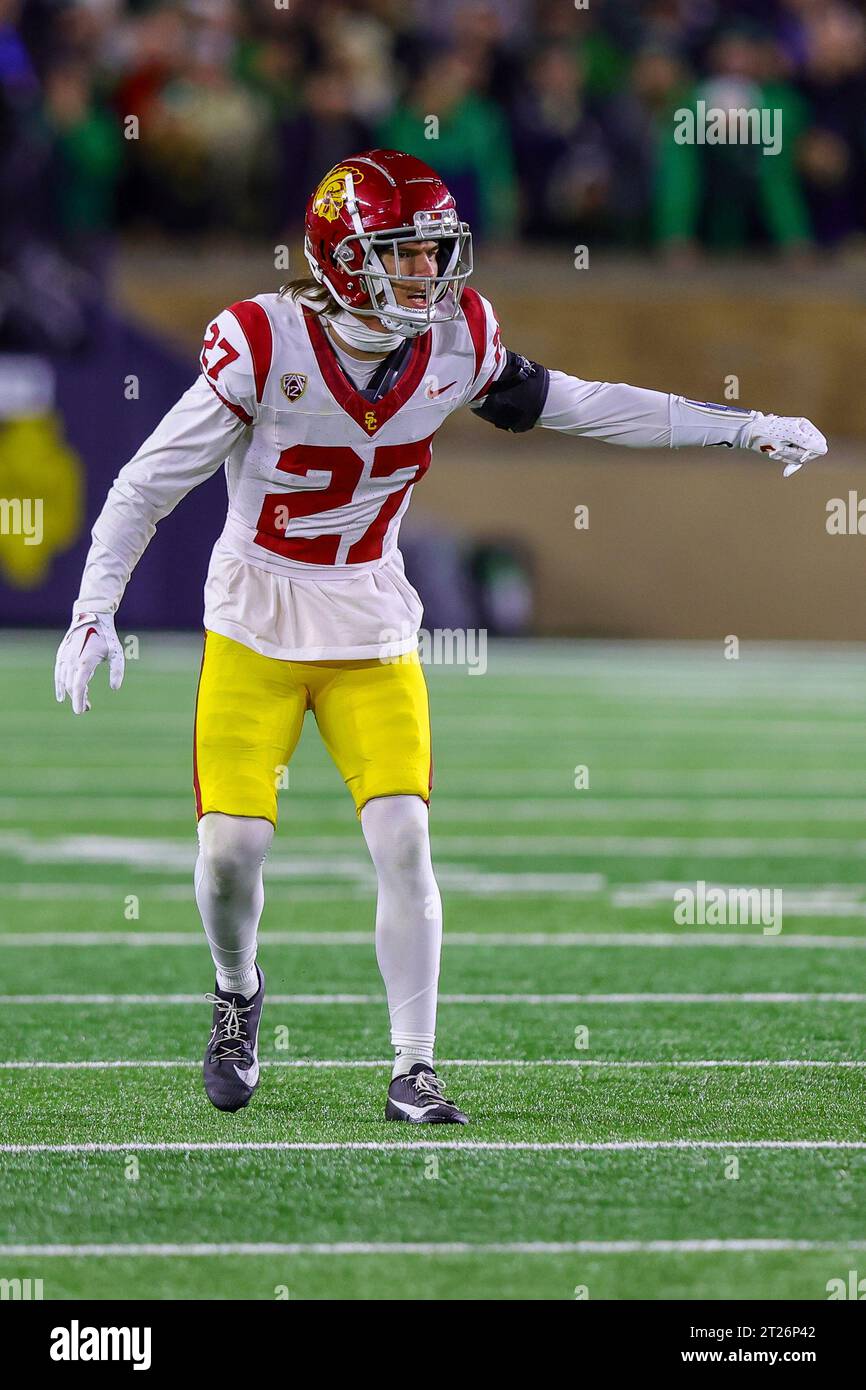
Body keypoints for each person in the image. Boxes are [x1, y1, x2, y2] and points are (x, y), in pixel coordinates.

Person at [54, 148, 827, 1125]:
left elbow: (578, 403)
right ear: (343, 257)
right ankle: (237, 989)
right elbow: (145, 483)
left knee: (404, 838)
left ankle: (412, 1067)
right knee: (231, 854)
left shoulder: (455, 341)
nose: (430, 274)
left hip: (371, 620)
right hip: (254, 619)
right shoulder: (263, 342)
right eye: (405, 254)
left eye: (432, 252)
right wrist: (94, 607)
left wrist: (736, 424)